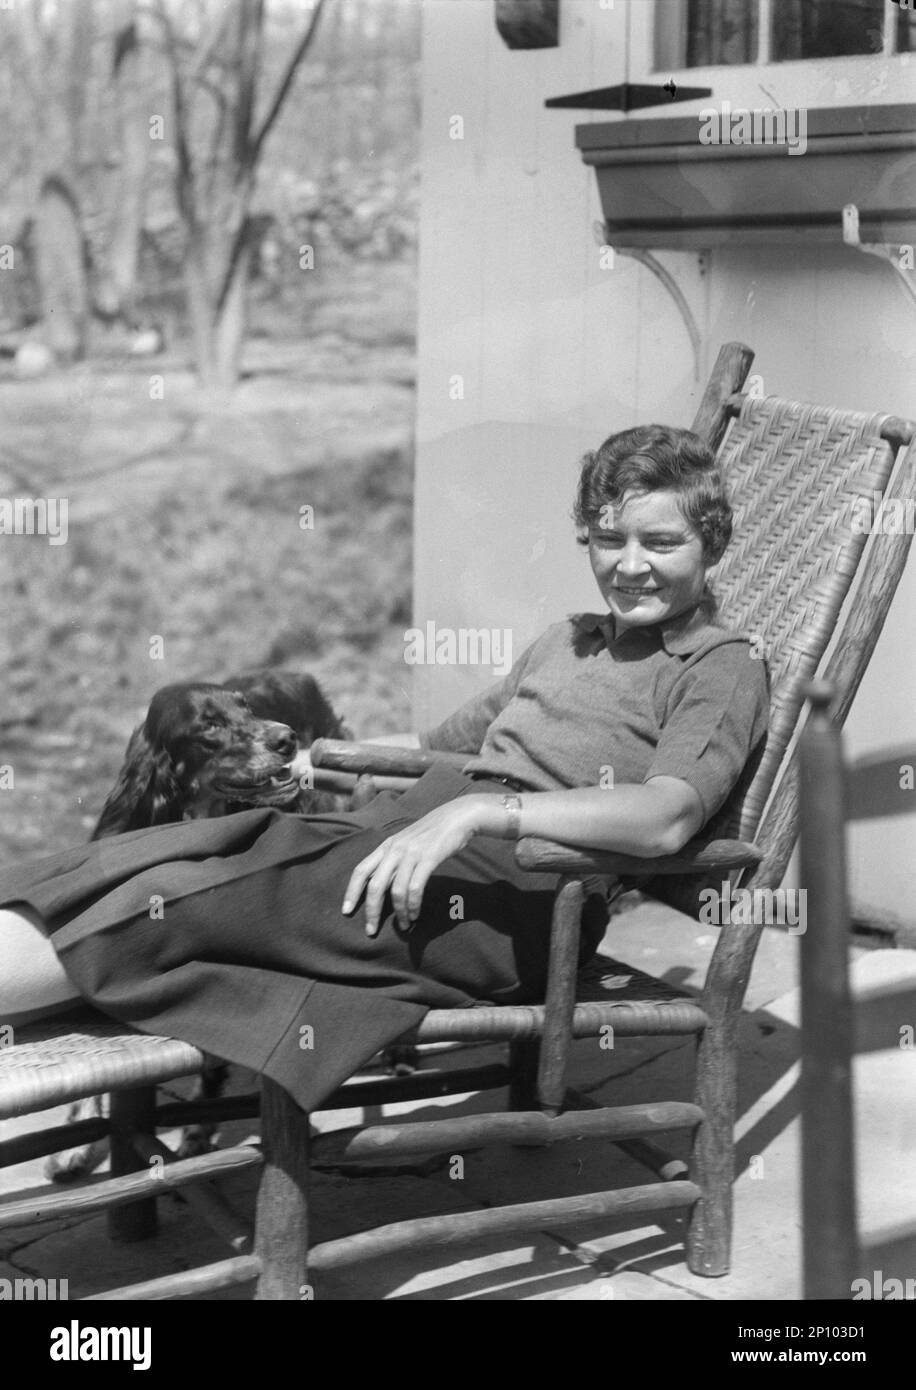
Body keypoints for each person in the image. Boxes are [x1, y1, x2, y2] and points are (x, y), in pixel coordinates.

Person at [0, 425, 769, 1112]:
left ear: (713, 543)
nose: (630, 566)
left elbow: (666, 816)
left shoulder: (717, 667)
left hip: (519, 894)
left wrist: (477, 812)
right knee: (147, 852)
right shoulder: (569, 640)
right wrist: (308, 760)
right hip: (404, 841)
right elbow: (434, 741)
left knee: (181, 900)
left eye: (659, 543)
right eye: (609, 540)